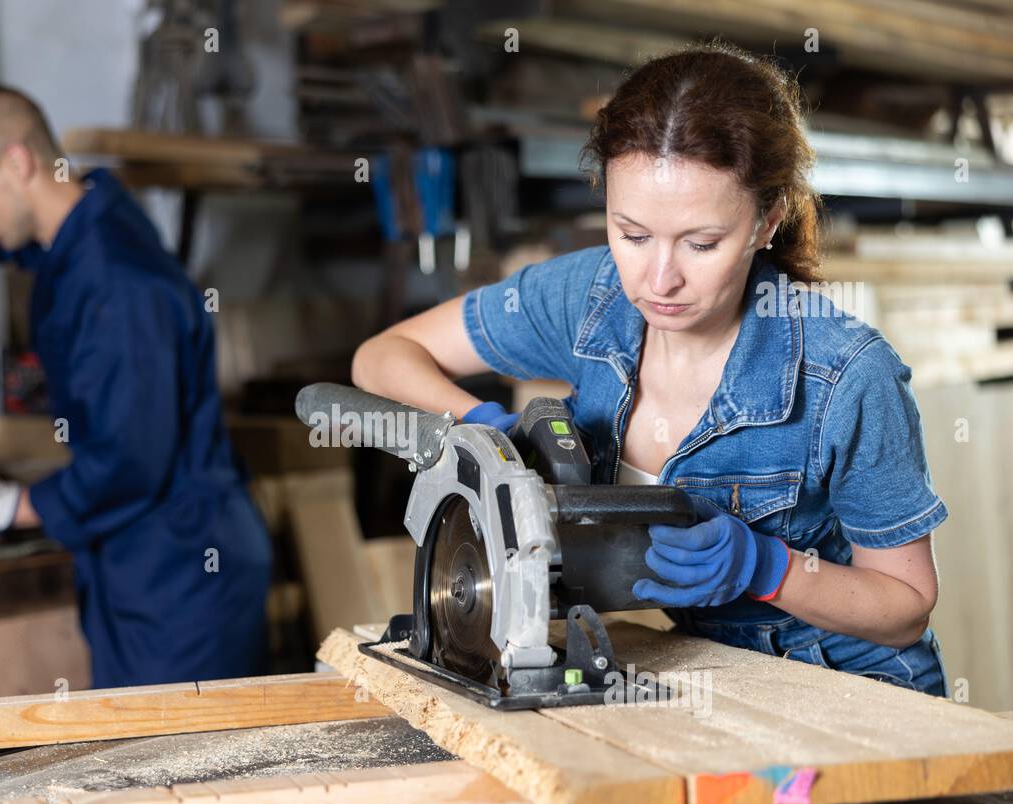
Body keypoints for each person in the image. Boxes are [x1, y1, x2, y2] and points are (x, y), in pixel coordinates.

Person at [351, 44, 950, 697]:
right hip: (716, 678)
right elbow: (380, 358)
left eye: (701, 243)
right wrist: (484, 430)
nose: (659, 278)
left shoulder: (845, 374)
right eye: (632, 234)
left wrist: (765, 567)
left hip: (860, 693)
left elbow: (905, 606)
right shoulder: (588, 297)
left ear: (766, 221)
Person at [0, 83, 271, 689]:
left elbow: (130, 461)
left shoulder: (117, 288)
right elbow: (32, 240)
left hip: (181, 578)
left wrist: (10, 505)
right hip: (142, 562)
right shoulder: (90, 211)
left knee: (174, 775)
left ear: (17, 163)